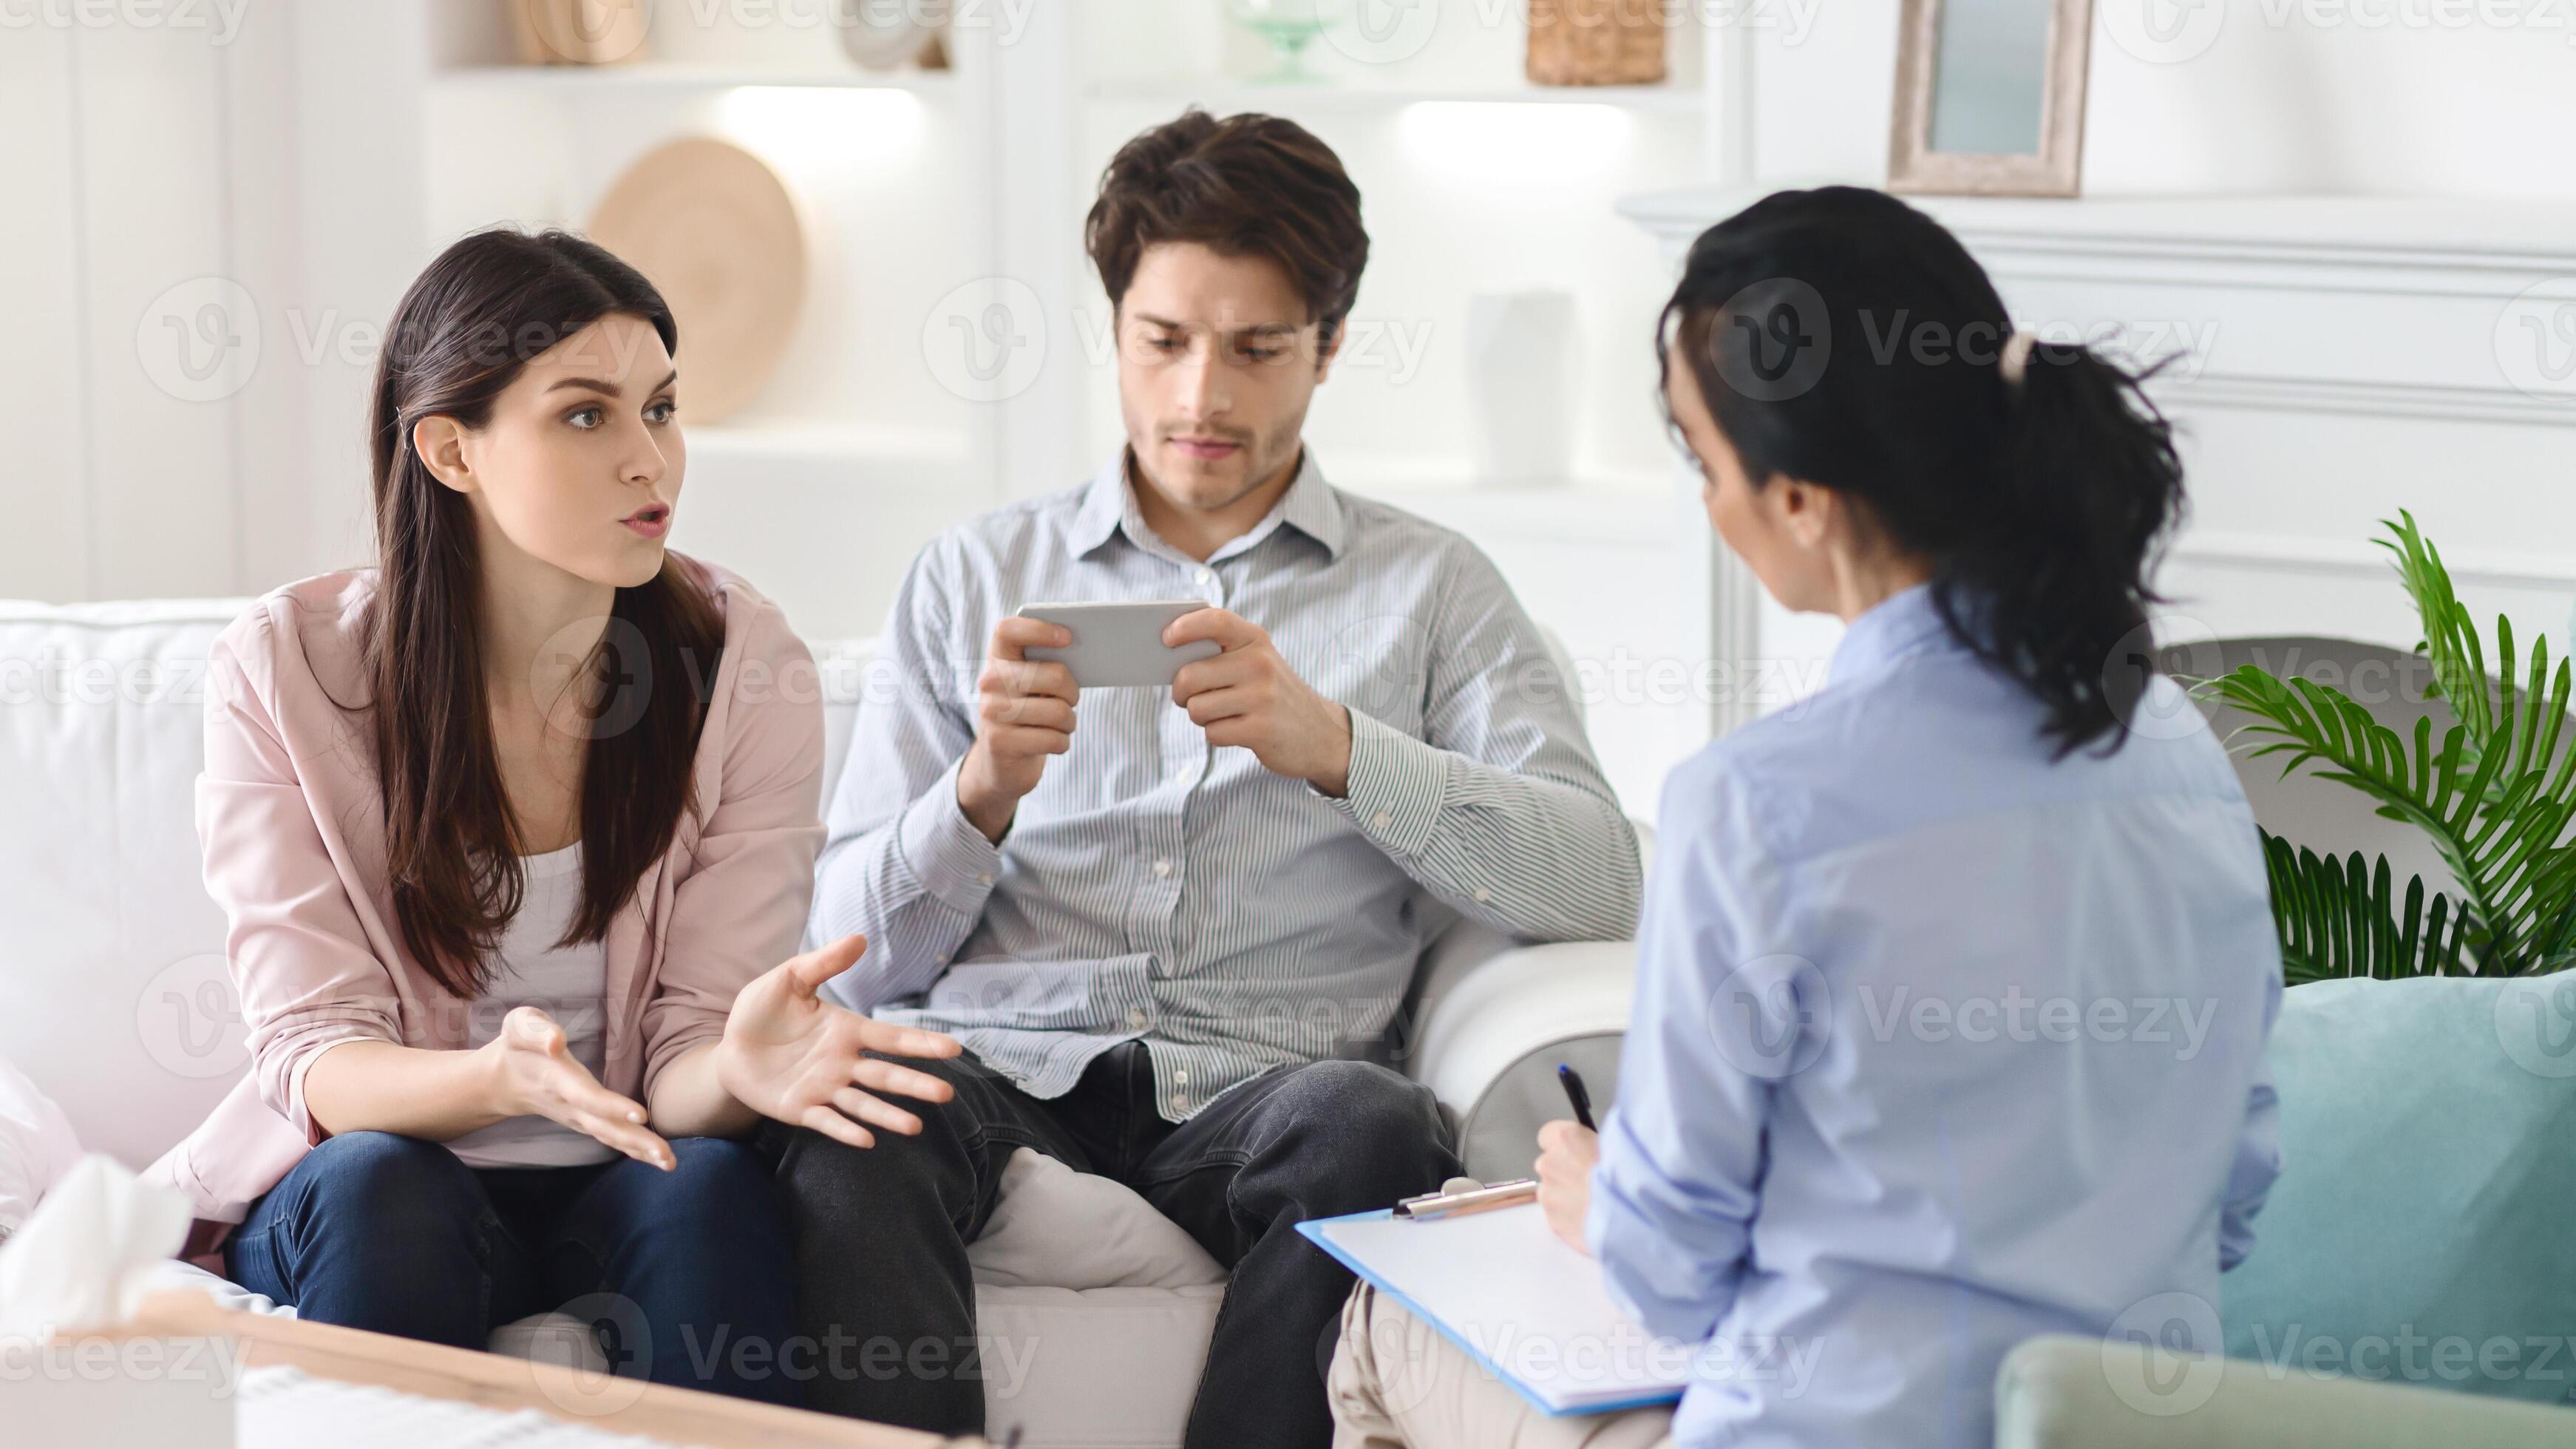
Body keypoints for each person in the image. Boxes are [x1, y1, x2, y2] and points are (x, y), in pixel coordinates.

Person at [1325, 185, 2285, 1449]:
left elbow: (1668, 1275)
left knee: (1381, 1332)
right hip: (2126, 1427)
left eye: (1701, 459)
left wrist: (1605, 1200)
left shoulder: (1752, 806)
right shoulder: (2179, 751)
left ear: (1798, 500)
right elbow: (2237, 1190)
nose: (1707, 505)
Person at [769, 109, 1644, 1445]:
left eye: (1256, 350)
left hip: (1274, 1088)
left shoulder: (1433, 589)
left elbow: (1594, 878)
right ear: (1114, 329)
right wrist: (979, 796)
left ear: (1332, 346)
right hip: (1003, 1069)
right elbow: (850, 961)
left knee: (1375, 1124)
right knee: (860, 1103)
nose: (1201, 399)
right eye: (1162, 343)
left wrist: (1341, 751)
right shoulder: (973, 574)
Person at [155, 228, 962, 1404]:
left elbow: (685, 1058)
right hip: (384, 1172)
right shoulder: (287, 669)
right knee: (385, 1187)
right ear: (450, 449)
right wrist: (497, 1080)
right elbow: (312, 1057)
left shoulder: (741, 664)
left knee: (702, 1186)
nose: (652, 461)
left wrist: (735, 1060)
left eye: (663, 409)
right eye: (586, 416)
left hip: (622, 1169)